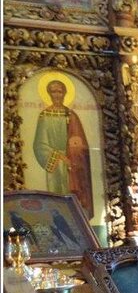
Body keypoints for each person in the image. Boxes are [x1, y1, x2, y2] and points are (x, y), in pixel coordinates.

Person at [33, 78, 93, 218]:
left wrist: (74, 154)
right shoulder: (44, 116)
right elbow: (39, 144)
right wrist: (60, 157)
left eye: (60, 91)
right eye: (53, 91)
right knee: (56, 200)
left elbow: (82, 144)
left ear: (65, 93)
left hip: (73, 164)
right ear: (49, 94)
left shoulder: (72, 115)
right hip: (54, 163)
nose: (57, 95)